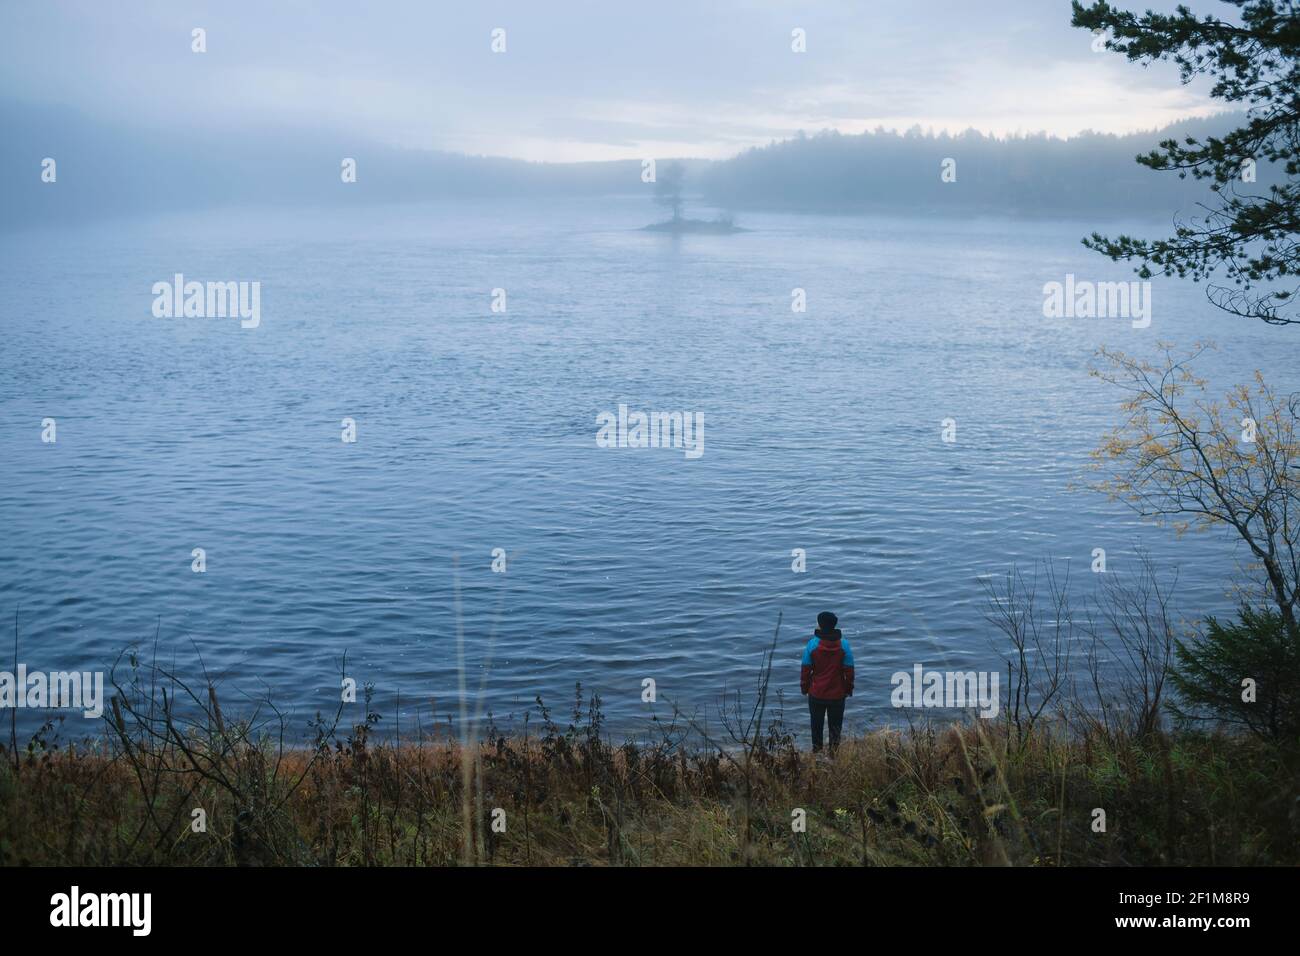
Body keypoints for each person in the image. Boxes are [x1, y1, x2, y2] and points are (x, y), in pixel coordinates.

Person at [800, 611, 854, 753]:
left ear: (820, 625)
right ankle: (833, 757)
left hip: (816, 693)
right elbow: (849, 671)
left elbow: (805, 670)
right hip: (837, 694)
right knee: (835, 728)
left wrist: (805, 689)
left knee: (816, 727)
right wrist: (848, 690)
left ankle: (817, 755)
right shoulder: (844, 645)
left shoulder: (812, 644)